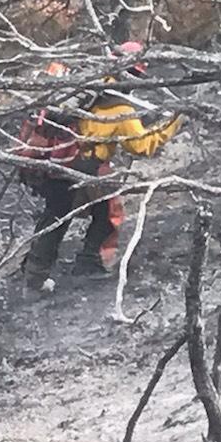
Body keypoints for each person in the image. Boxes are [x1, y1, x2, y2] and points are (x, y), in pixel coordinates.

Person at [69, 47, 183, 276]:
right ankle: (88, 261)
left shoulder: (86, 88)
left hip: (64, 158)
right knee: (108, 216)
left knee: (56, 213)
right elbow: (140, 146)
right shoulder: (120, 107)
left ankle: (34, 270)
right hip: (90, 165)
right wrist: (173, 123)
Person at [14, 75, 87, 291]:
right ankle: (36, 275)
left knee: (52, 215)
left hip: (40, 165)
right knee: (57, 217)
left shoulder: (56, 97)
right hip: (55, 170)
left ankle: (31, 265)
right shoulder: (77, 102)